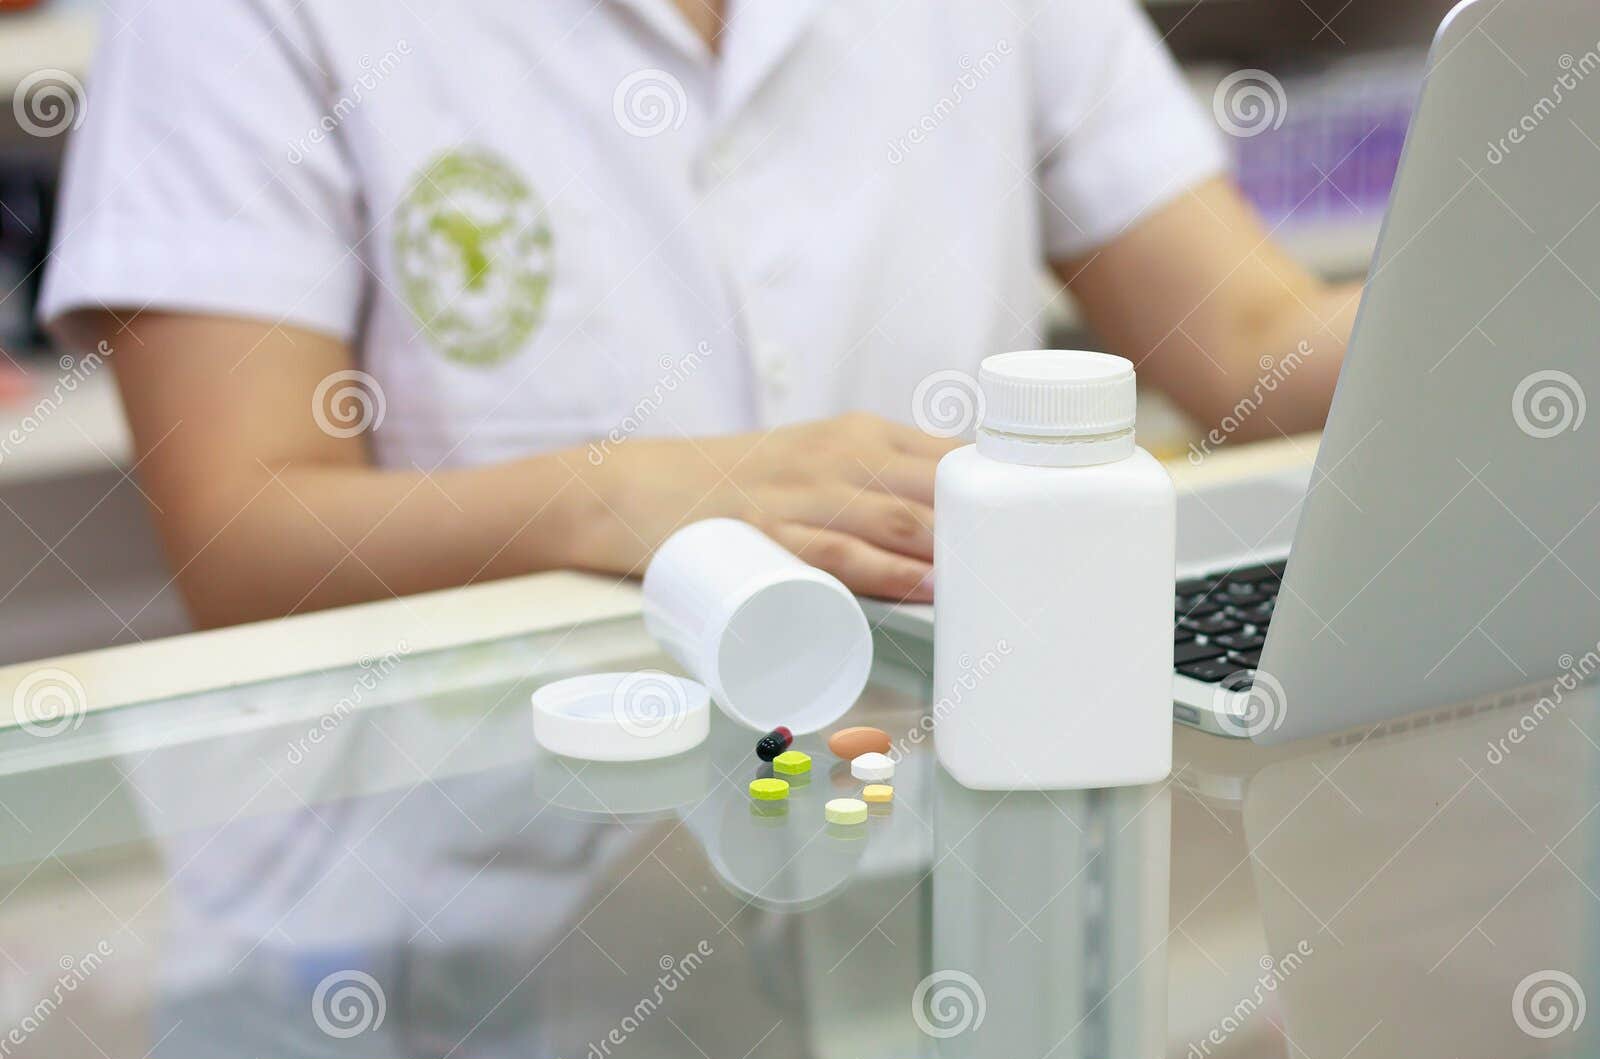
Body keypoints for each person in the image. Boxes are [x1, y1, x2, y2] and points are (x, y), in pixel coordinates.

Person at [40, 0, 1359, 628]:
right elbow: (243, 535)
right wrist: (623, 498)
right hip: (439, 927)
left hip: (903, 822)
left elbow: (1251, 344)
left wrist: (1515, 307)